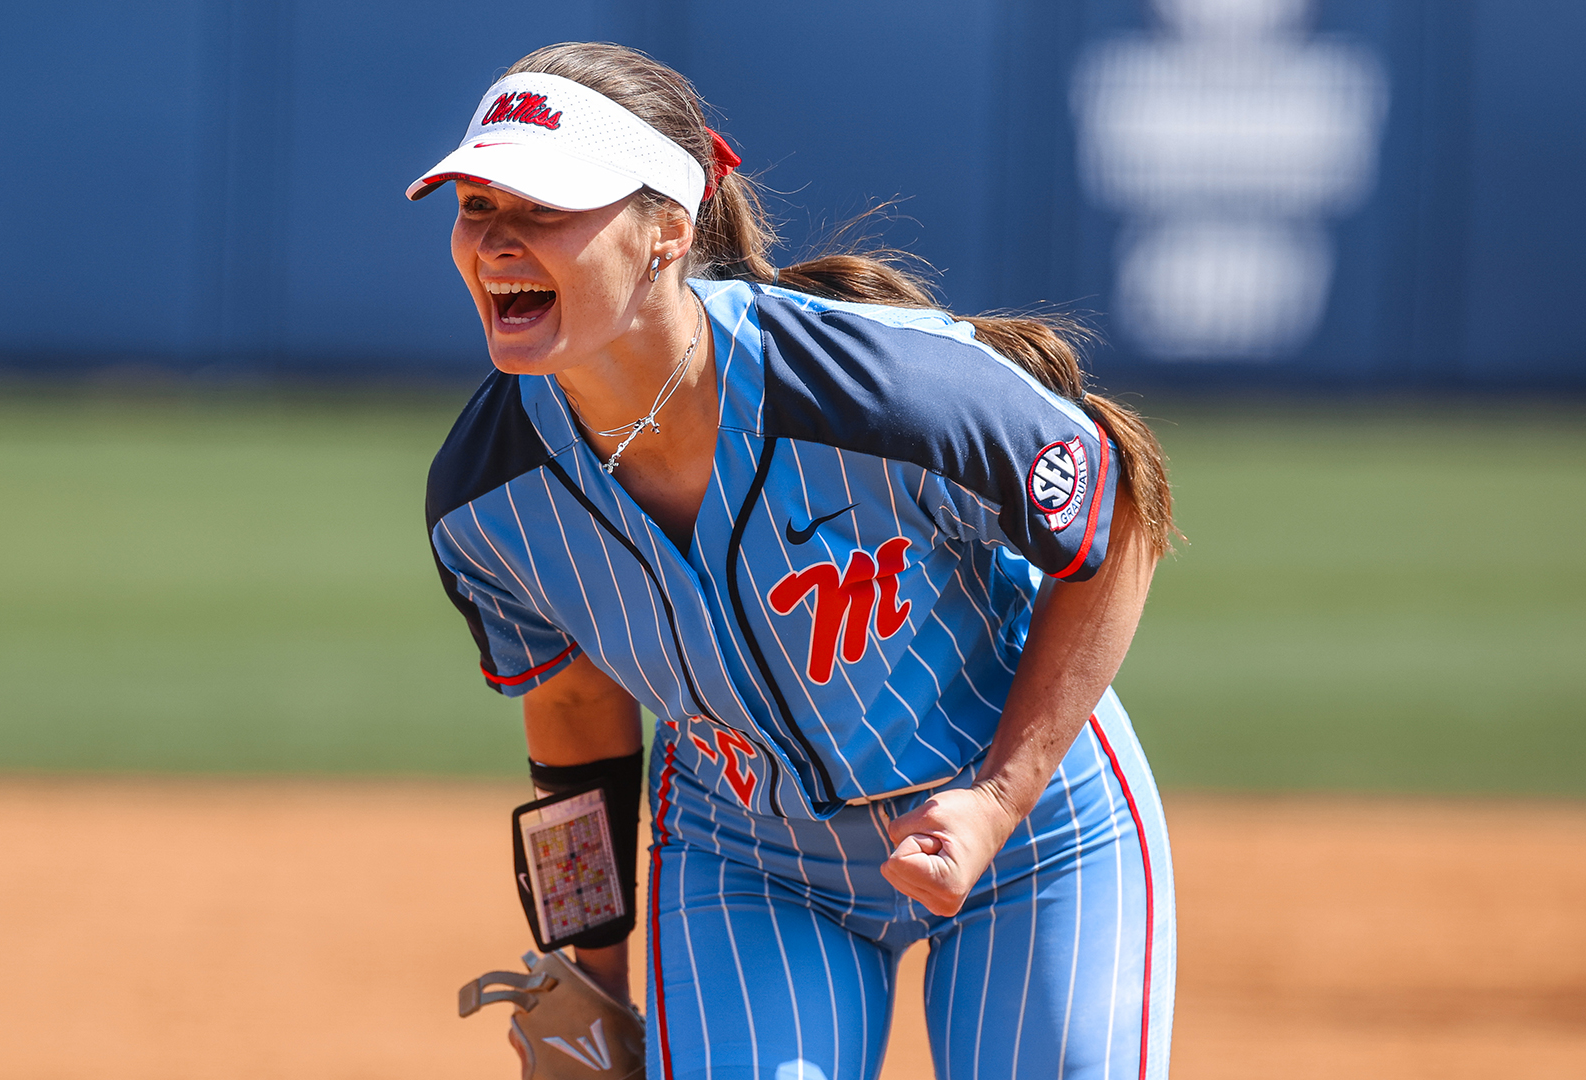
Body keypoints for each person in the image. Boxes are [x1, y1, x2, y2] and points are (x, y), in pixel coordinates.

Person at [414, 41, 1178, 1080]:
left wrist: (1000, 796)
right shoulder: (487, 497)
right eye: (474, 207)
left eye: (543, 209)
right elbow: (575, 728)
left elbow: (1116, 514)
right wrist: (580, 974)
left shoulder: (878, 391)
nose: (496, 241)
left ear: (666, 234)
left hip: (1034, 833)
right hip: (753, 863)